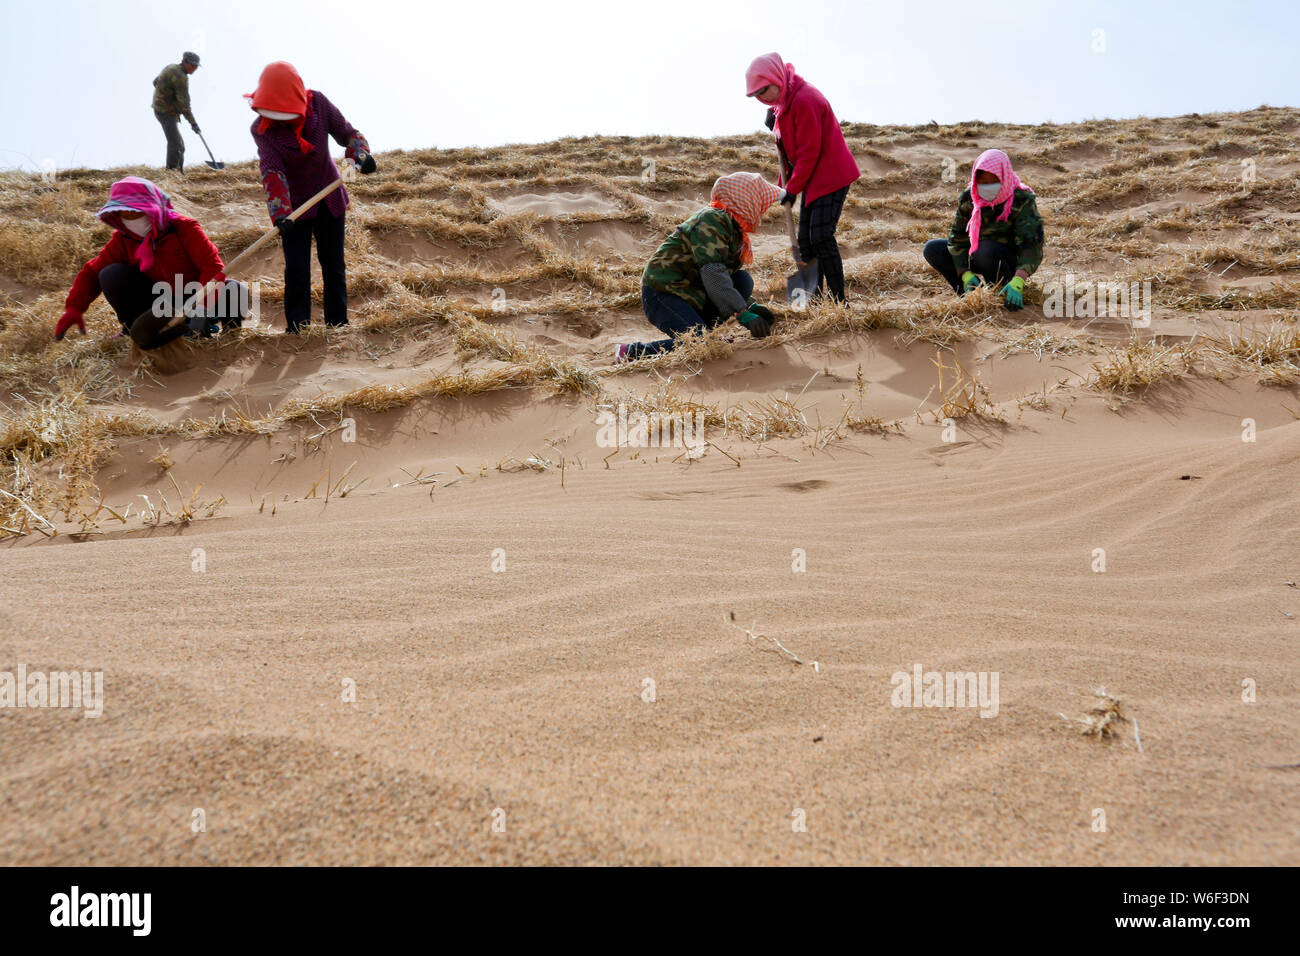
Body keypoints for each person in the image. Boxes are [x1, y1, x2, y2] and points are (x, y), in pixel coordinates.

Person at [246, 61, 376, 333]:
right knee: (296, 269)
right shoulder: (262, 129)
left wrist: (359, 154)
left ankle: (337, 324)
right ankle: (297, 328)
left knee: (333, 265)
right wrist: (280, 213)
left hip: (329, 197)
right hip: (295, 208)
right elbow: (272, 170)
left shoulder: (318, 104)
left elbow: (347, 134)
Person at [54, 177, 248, 348]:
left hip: (196, 296)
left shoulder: (184, 228)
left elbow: (212, 267)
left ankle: (229, 338)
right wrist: (74, 308)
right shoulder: (123, 240)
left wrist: (202, 308)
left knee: (235, 290)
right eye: (124, 214)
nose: (131, 219)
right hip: (160, 304)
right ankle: (135, 328)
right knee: (110, 274)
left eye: (135, 212)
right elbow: (92, 272)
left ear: (151, 208)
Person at [615, 173, 782, 361]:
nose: (763, 210)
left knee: (742, 280)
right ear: (747, 200)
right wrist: (743, 314)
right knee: (698, 345)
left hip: (692, 292)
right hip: (664, 293)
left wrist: (750, 307)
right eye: (761, 203)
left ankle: (706, 334)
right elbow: (714, 274)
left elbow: (727, 277)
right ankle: (632, 352)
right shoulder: (713, 220)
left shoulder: (733, 228)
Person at [745, 52, 861, 303]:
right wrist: (782, 187)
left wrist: (792, 189)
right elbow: (787, 155)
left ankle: (838, 301)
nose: (761, 98)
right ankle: (813, 299)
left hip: (832, 175)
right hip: (812, 179)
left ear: (776, 79)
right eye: (757, 95)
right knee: (805, 243)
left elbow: (810, 152)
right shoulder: (782, 105)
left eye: (764, 90)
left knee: (821, 236)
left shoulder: (804, 100)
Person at [923, 149, 1044, 311]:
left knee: (984, 249)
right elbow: (957, 239)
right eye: (983, 183)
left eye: (993, 182)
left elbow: (1031, 244)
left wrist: (1019, 279)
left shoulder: (1021, 199)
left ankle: (1003, 292)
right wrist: (964, 272)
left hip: (1006, 259)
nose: (987, 187)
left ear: (1004, 177)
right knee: (933, 249)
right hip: (977, 253)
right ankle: (970, 294)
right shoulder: (970, 197)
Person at [153, 52, 202, 172]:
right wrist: (193, 123)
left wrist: (167, 94)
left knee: (179, 145)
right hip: (166, 112)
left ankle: (177, 172)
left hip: (161, 109)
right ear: (185, 61)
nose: (195, 68)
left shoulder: (171, 67)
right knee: (175, 143)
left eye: (196, 66)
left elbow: (155, 82)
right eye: (193, 65)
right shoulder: (180, 77)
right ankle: (172, 172)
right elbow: (184, 105)